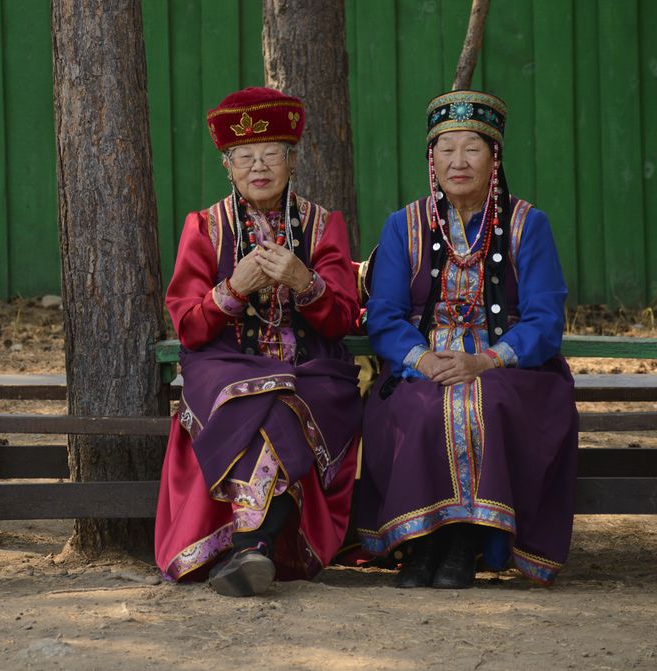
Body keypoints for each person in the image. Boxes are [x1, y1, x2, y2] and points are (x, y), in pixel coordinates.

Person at [356, 90, 577, 588]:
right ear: (430, 158)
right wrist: (422, 359)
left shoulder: (529, 224)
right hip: (422, 361)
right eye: (446, 148)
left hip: (509, 367)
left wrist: (486, 361)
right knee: (419, 406)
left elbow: (545, 320)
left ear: (494, 157)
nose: (458, 161)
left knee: (484, 404)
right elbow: (385, 315)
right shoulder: (403, 226)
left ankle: (465, 542)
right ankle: (421, 544)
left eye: (472, 148)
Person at [154, 87, 362, 597]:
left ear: (292, 160)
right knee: (259, 398)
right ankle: (256, 545)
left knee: (282, 400)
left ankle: (250, 548)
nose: (259, 166)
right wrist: (233, 288)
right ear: (228, 166)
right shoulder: (204, 228)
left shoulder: (322, 226)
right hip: (225, 364)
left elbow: (341, 319)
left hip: (310, 367)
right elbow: (189, 326)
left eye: (271, 153)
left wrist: (304, 281)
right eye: (244, 157)